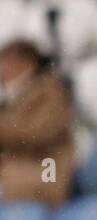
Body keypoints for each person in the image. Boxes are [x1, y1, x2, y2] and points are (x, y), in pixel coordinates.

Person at [0, 39, 74, 206]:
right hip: (17, 169)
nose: (2, 70)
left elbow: (37, 134)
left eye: (6, 63)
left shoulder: (51, 92)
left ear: (28, 64)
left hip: (45, 170)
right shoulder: (12, 95)